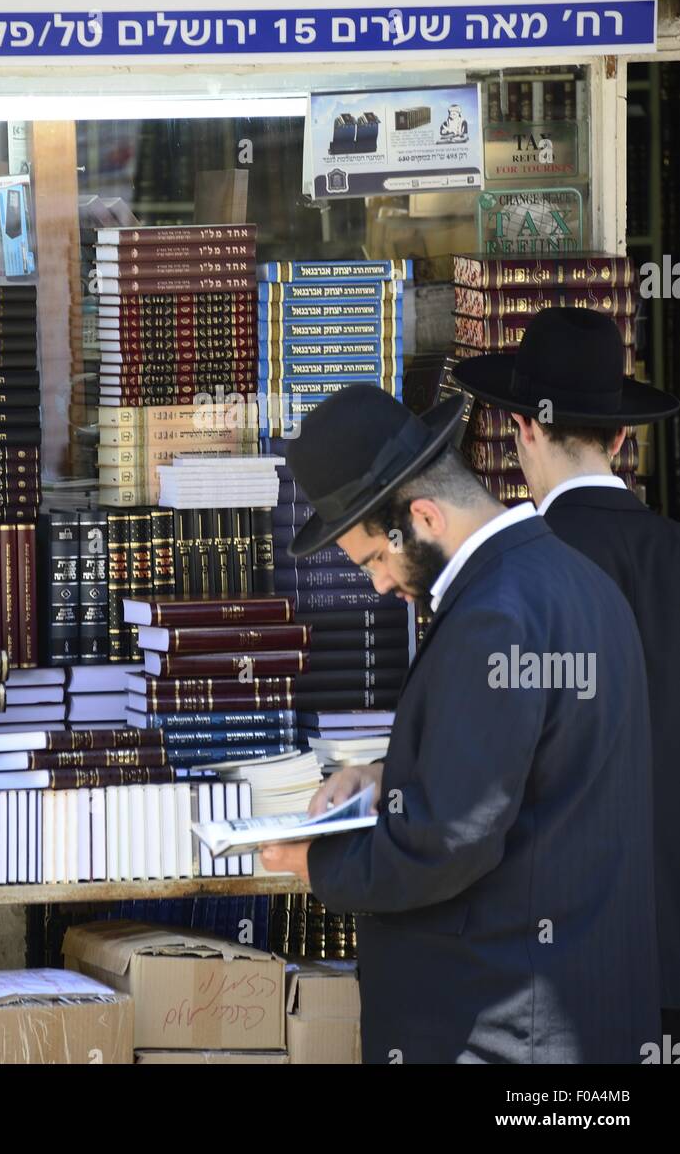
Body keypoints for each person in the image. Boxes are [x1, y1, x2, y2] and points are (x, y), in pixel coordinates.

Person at [261, 383, 659, 1064]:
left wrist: (315, 859)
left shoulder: (490, 618)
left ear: (421, 515)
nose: (380, 587)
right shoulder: (576, 581)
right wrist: (384, 773)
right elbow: (535, 766)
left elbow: (447, 840)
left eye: (374, 559)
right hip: (582, 1017)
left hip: (498, 1029)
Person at [454, 305, 680, 1039]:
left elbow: (485, 780)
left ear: (520, 428)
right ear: (619, 437)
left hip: (558, 959)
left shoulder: (511, 572)